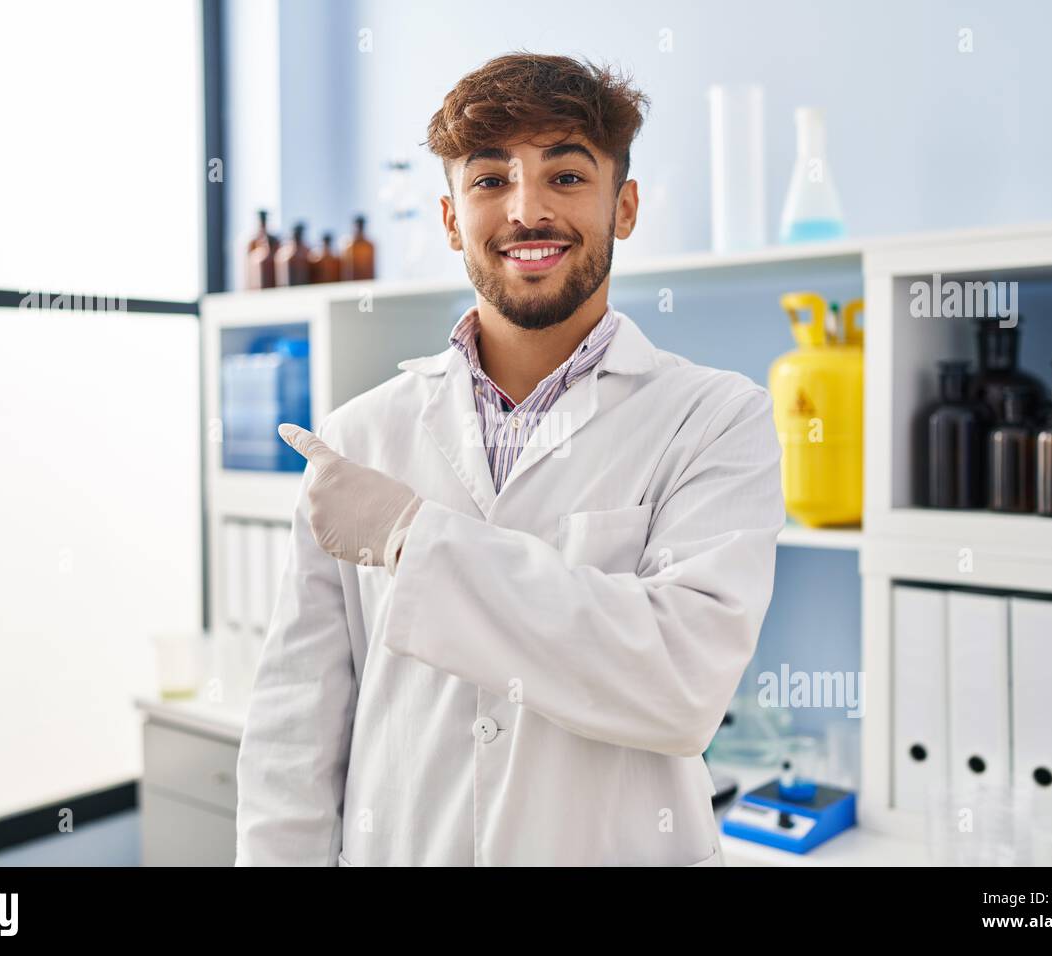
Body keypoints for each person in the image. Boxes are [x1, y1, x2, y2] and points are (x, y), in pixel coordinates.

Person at [235, 52, 784, 867]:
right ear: (453, 220)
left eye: (566, 176)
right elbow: (294, 736)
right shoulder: (357, 438)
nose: (528, 211)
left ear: (623, 207)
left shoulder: (716, 420)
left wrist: (411, 540)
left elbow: (680, 685)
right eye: (491, 181)